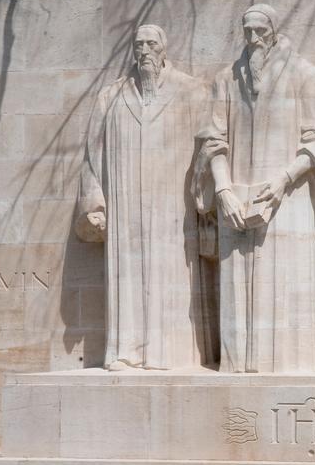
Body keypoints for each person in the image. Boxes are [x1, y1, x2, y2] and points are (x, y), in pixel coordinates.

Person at [193, 4, 315, 373]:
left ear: (274, 32)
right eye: (247, 31)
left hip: (291, 201)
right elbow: (212, 141)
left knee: (287, 290)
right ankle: (239, 368)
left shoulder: (306, 76)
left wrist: (284, 180)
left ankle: (291, 369)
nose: (253, 39)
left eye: (260, 31)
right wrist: (222, 190)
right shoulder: (226, 81)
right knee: (238, 298)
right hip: (235, 201)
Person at [76, 23, 218, 371]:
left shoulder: (190, 91)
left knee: (170, 272)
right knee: (127, 273)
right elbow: (92, 155)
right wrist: (95, 203)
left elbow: (211, 145)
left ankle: (169, 351)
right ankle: (126, 350)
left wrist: (208, 196)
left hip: (173, 206)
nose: (144, 51)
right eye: (138, 45)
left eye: (151, 44)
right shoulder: (111, 96)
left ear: (163, 49)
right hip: (126, 205)